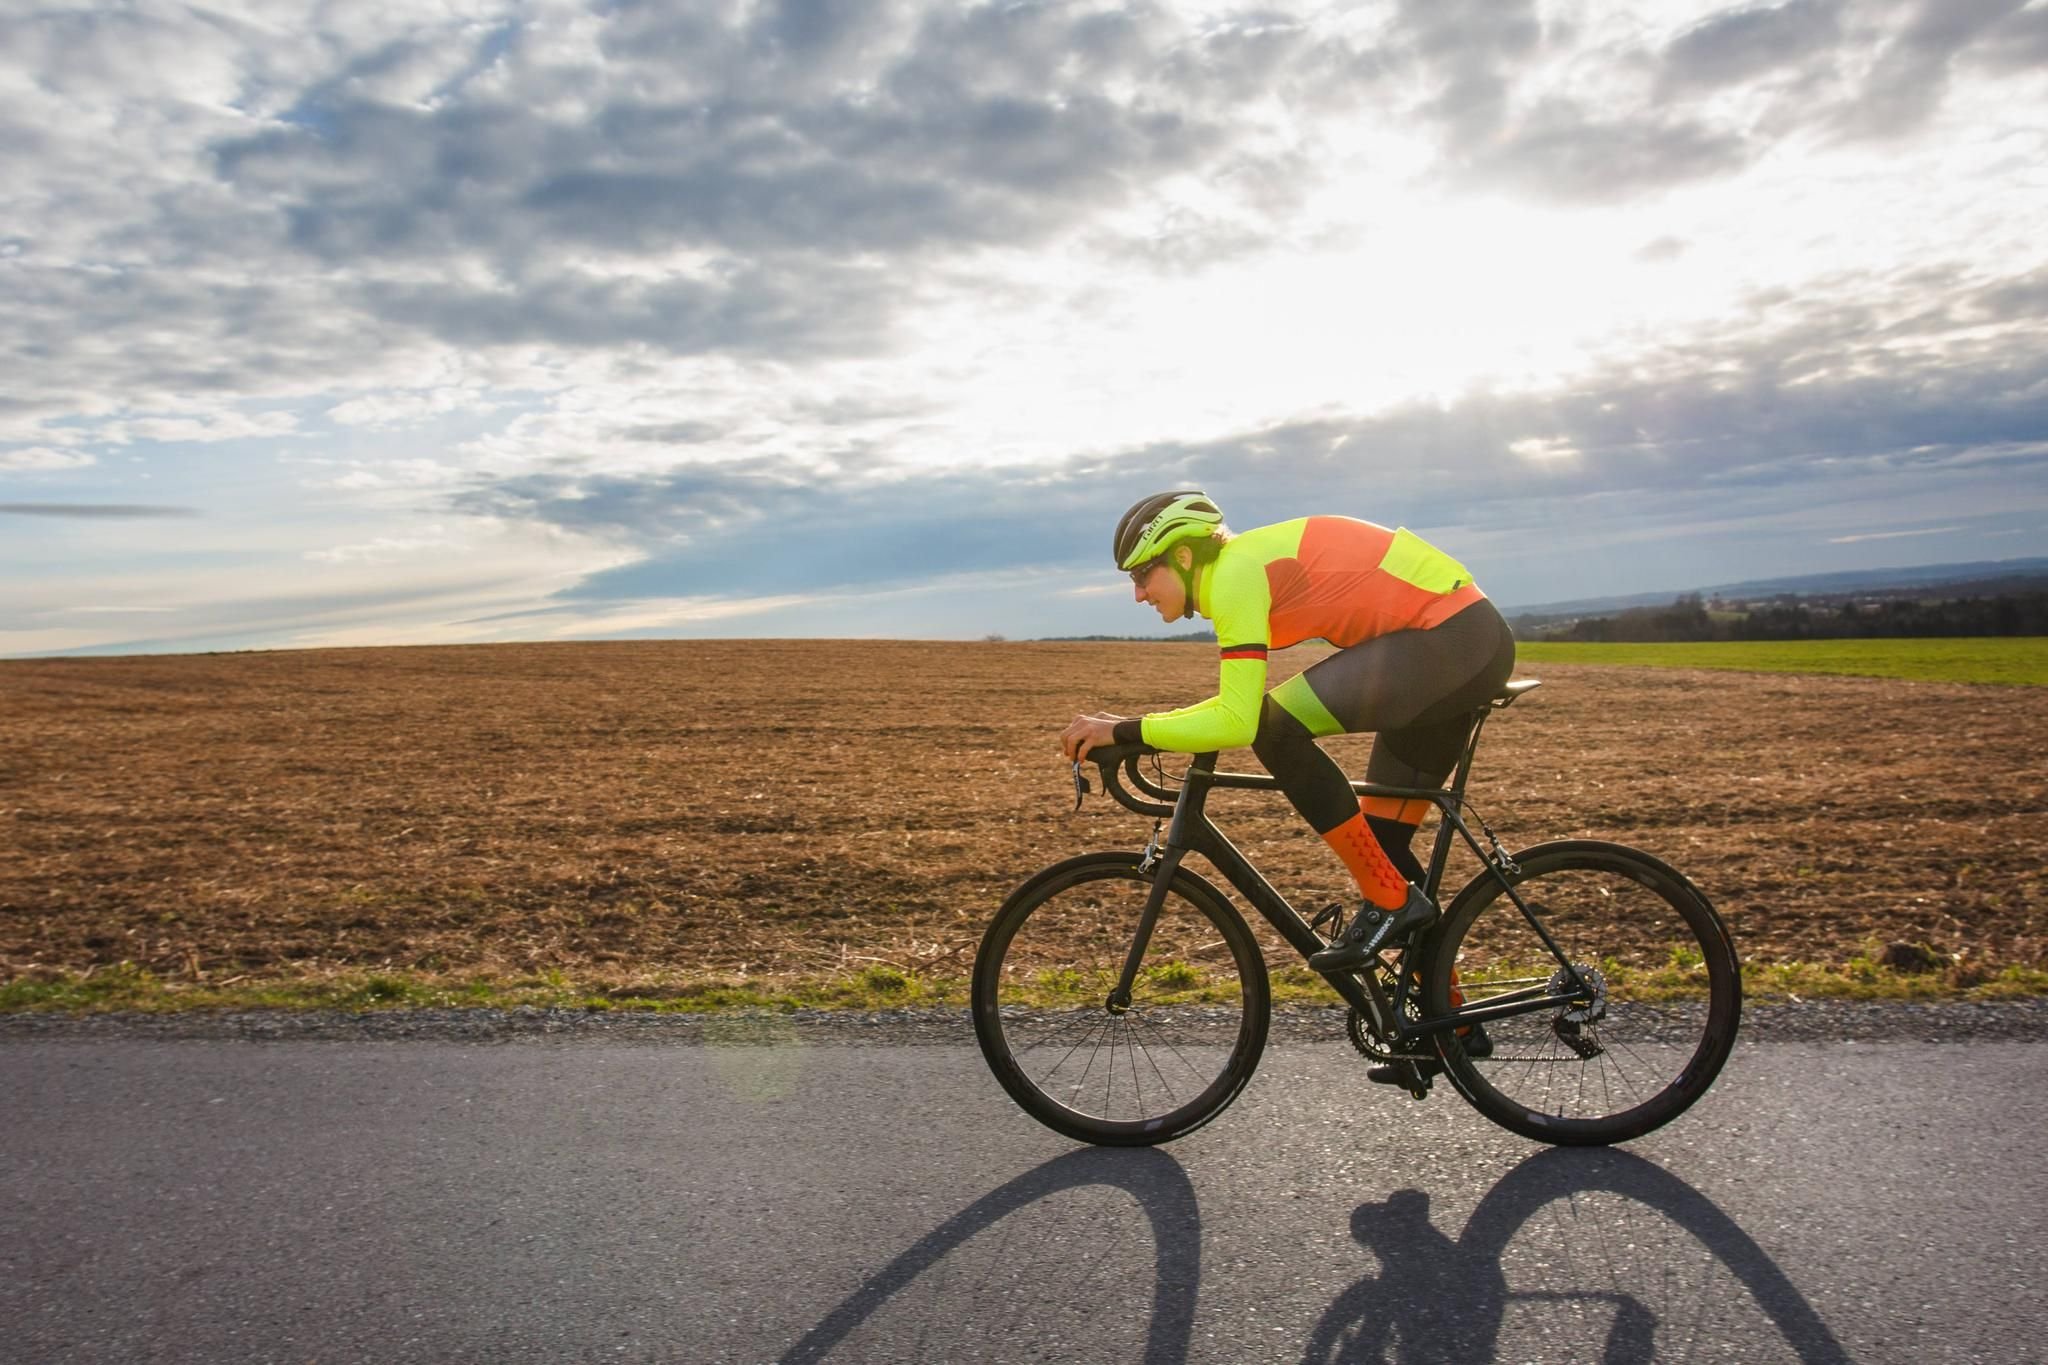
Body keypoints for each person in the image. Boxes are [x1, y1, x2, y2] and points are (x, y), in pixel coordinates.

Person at [1061, 489, 1516, 978]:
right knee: (1382, 844)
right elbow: (1235, 709)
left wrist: (1126, 731)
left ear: (1185, 557)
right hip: (1455, 643)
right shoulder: (1238, 570)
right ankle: (1443, 1010)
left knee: (1277, 730)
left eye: (1142, 575)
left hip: (1453, 640)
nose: (1138, 594)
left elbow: (1240, 721)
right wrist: (1129, 731)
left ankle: (1390, 900)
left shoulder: (1235, 574)